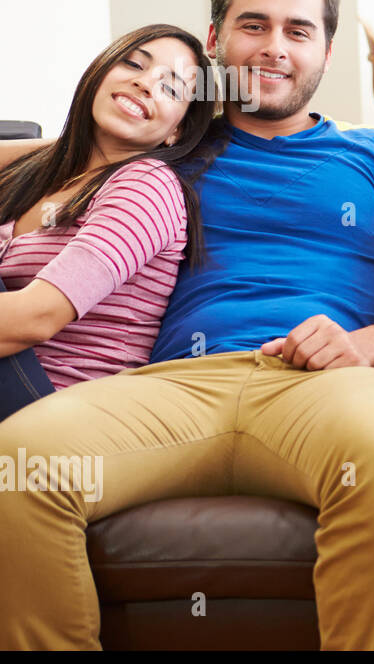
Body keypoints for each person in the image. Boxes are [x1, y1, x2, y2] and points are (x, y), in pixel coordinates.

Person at [0, 0, 374, 650]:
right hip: (172, 388)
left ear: (327, 51)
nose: (272, 47)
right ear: (216, 43)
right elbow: (62, 153)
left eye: (298, 31)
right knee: (17, 464)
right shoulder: (169, 141)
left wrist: (368, 339)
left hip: (331, 381)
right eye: (253, 25)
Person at [0, 24, 217, 420]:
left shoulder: (146, 186)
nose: (144, 84)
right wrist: (69, 144)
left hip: (52, 405)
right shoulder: (38, 177)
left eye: (170, 89)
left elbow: (37, 317)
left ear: (177, 131)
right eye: (133, 63)